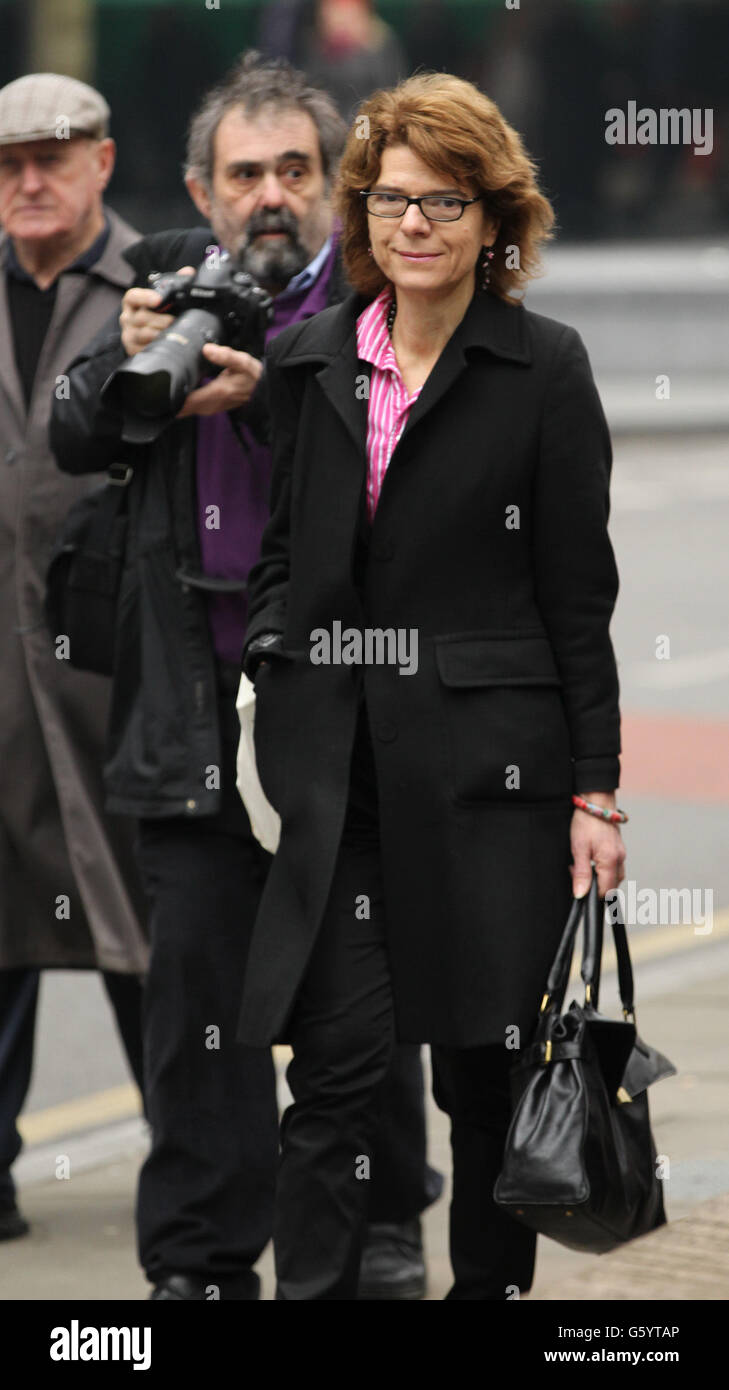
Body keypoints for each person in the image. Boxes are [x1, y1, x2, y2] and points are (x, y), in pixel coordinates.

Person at [51, 53, 441, 1301]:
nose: (269, 197)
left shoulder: (386, 306)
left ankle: (383, 1228)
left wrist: (269, 391)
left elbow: (407, 471)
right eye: (244, 176)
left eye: (293, 171)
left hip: (339, 722)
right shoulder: (160, 283)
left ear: (337, 185)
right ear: (199, 190)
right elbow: (72, 428)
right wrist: (125, 349)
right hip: (191, 725)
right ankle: (199, 1262)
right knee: (197, 1012)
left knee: (359, 1000)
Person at [240, 71, 628, 1300]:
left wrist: (597, 794)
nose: (414, 225)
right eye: (393, 200)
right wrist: (274, 654)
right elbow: (282, 556)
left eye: (446, 203)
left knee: (487, 1078)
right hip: (339, 777)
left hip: (489, 781)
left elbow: (580, 600)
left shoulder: (544, 368)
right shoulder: (308, 364)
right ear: (363, 213)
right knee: (338, 1072)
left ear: (494, 222)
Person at [0, 73, 147, 1243]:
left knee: (148, 929)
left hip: (117, 672)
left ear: (104, 160)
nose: (30, 180)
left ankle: (200, 1168)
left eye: (54, 156)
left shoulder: (157, 288)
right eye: (8, 163)